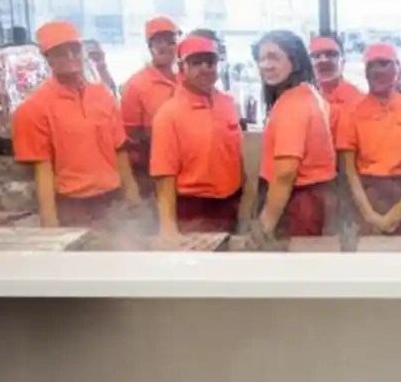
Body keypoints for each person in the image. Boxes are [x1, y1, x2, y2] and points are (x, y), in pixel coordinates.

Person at [12, 21, 139, 228]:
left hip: (113, 202)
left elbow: (120, 150)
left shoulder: (102, 96)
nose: (71, 57)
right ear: (48, 59)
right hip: (72, 207)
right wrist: (50, 226)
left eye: (74, 50)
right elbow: (42, 171)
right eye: (61, 53)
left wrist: (132, 195)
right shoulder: (34, 109)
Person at [149, 36, 244, 236]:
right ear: (182, 67)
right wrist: (168, 228)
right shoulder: (169, 114)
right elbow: (164, 176)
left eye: (210, 62)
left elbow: (236, 157)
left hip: (230, 203)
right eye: (196, 62)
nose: (204, 68)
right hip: (192, 209)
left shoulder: (228, 103)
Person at [254, 30, 337, 238]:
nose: (266, 65)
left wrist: (265, 224)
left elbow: (284, 174)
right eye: (261, 58)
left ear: (295, 60)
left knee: (292, 267)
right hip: (310, 200)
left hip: (296, 204)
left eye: (274, 57)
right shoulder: (308, 93)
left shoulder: (292, 104)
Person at [338, 43, 401, 236]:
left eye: (384, 64)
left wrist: (400, 209)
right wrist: (369, 215)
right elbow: (350, 172)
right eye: (371, 65)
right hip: (366, 194)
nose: (377, 71)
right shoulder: (351, 111)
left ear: (398, 68)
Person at [120, 16, 180, 194]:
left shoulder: (187, 81)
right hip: (151, 175)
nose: (164, 46)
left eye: (170, 41)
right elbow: (129, 139)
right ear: (149, 46)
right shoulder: (136, 85)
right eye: (158, 41)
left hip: (186, 173)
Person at [310, 33, 363, 113]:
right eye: (316, 56)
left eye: (331, 54)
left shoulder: (359, 102)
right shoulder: (298, 102)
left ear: (343, 62)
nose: (324, 60)